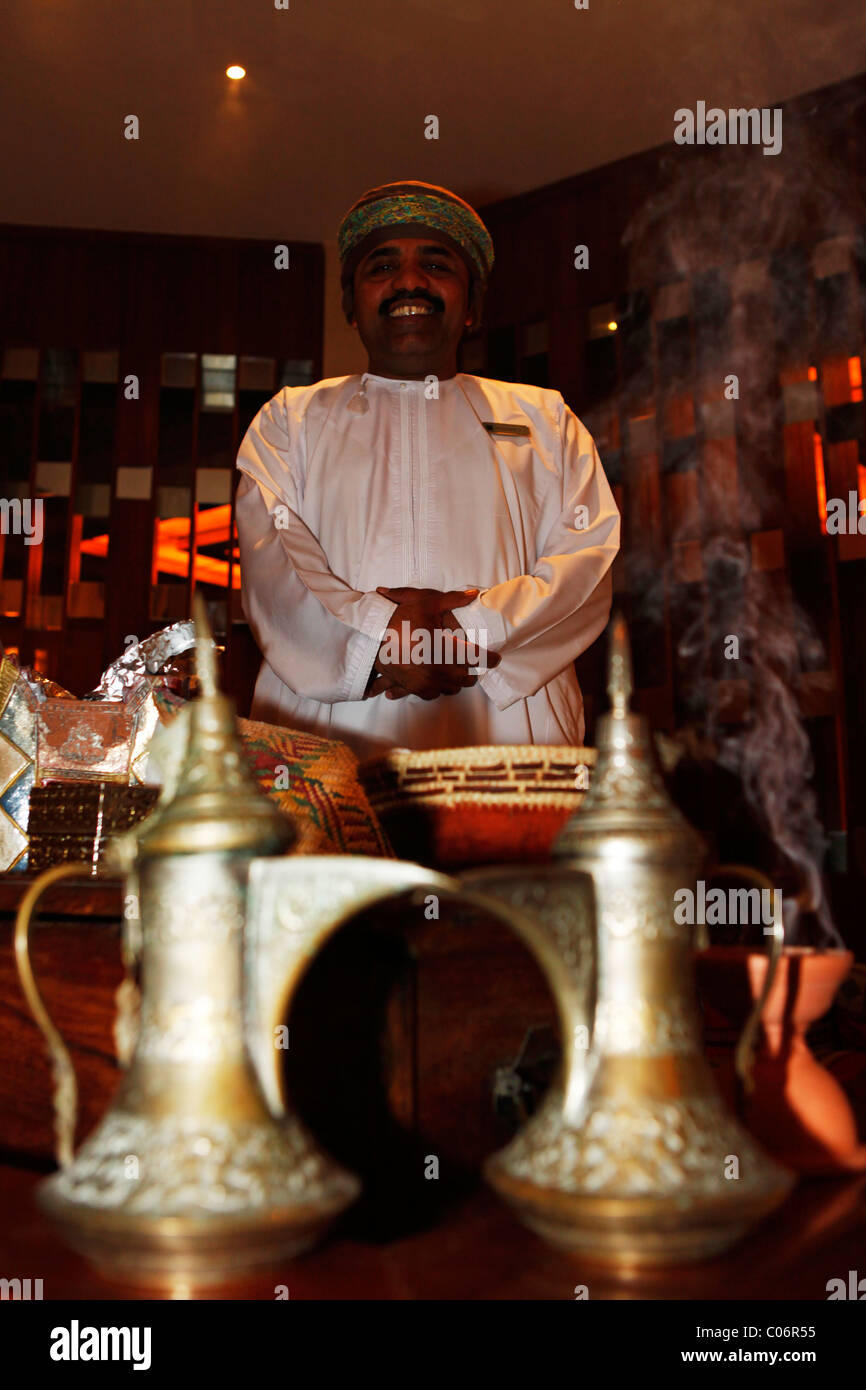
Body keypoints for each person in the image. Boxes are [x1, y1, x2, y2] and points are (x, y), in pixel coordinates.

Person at [236, 179, 620, 760]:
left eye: (436, 264)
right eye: (381, 265)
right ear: (349, 303)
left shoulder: (544, 419)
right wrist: (377, 640)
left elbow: (585, 559)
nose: (409, 281)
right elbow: (276, 561)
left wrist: (474, 632)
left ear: (475, 305)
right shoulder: (291, 419)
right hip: (326, 728)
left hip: (510, 727)